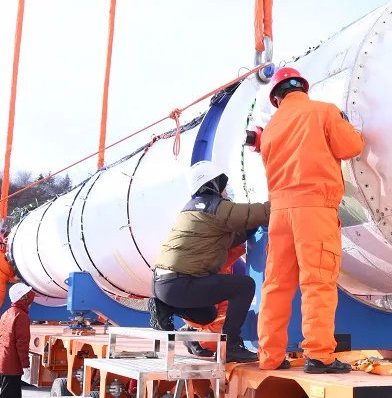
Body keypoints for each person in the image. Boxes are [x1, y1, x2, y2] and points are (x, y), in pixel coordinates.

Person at [257, 67, 365, 373]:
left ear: (277, 98)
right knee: (318, 281)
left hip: (279, 214)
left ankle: (271, 356)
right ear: (303, 88)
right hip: (314, 210)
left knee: (276, 285)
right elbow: (352, 147)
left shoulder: (271, 130)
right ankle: (318, 355)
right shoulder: (323, 112)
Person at [149, 161, 270, 363]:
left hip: (162, 285)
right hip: (180, 283)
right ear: (213, 184)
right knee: (245, 286)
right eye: (222, 186)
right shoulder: (216, 207)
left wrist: (248, 229)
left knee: (208, 314)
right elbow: (259, 213)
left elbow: (226, 240)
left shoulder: (191, 210)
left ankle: (165, 308)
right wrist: (288, 201)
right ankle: (230, 345)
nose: (225, 191)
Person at [0, 283, 34, 398]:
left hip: (6, 359)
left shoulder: (8, 313)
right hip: (13, 362)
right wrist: (26, 364)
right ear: (22, 297)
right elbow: (22, 343)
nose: (30, 298)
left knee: (13, 393)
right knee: (8, 394)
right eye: (27, 295)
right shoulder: (21, 316)